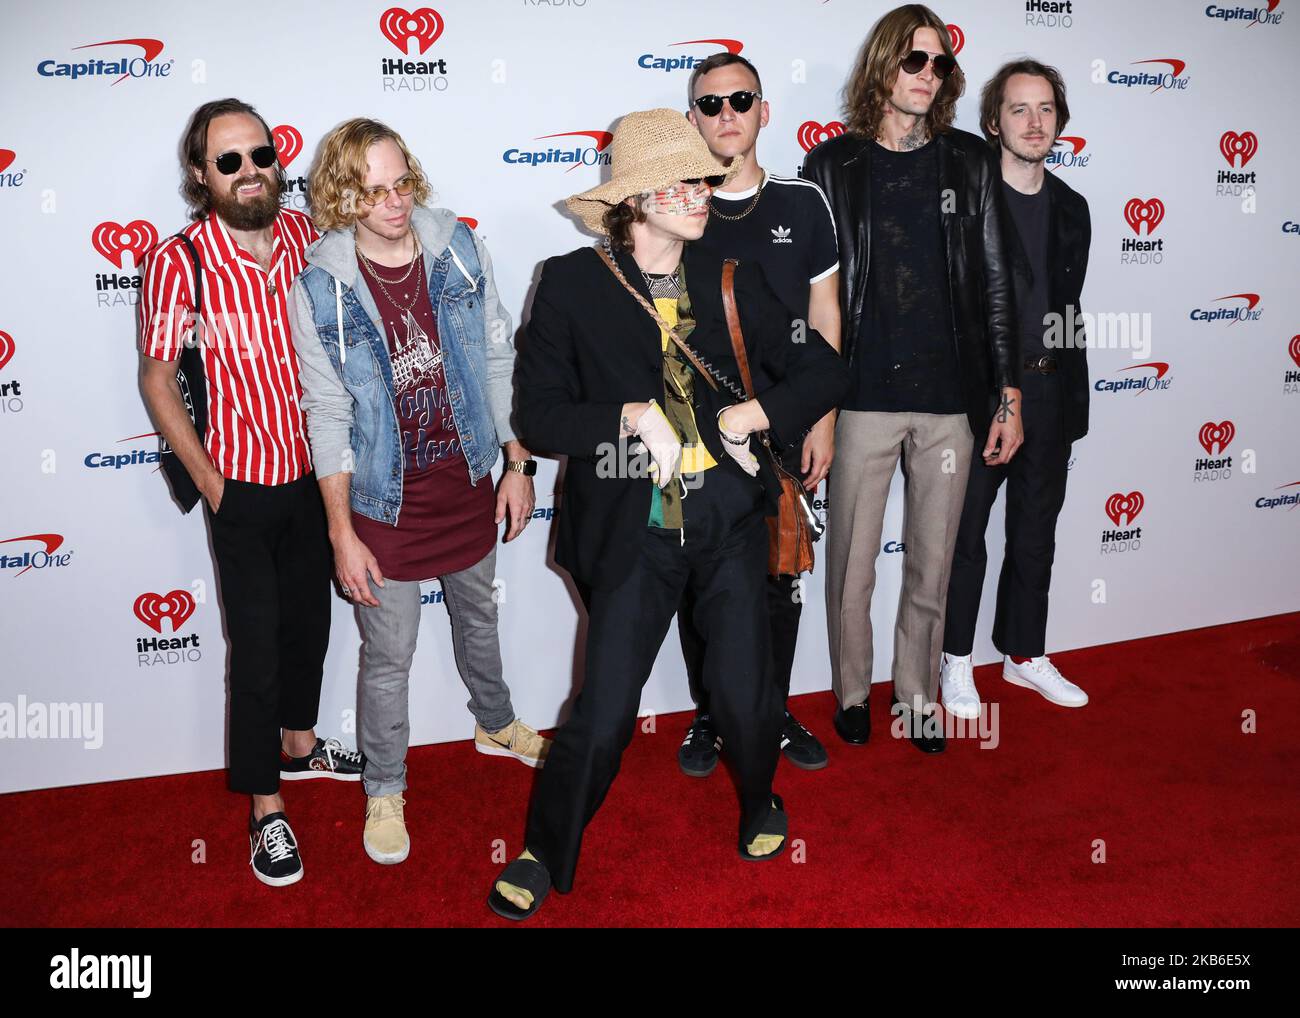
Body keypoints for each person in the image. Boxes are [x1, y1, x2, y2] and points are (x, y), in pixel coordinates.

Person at [487, 108, 848, 920]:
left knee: (745, 691)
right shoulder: (571, 283)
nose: (700, 194)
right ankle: (548, 847)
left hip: (726, 523)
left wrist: (760, 414)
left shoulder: (732, 274)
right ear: (633, 201)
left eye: (703, 180)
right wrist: (629, 415)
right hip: (634, 535)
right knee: (606, 707)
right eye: (680, 183)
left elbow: (822, 369)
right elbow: (540, 417)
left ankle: (760, 802)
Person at [290, 119, 551, 866]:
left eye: (401, 182)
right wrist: (341, 531)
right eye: (373, 191)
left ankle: (495, 723)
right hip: (385, 503)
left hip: (468, 479)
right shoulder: (322, 289)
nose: (395, 202)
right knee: (388, 656)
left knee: (479, 618)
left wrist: (517, 462)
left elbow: (500, 358)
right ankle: (384, 785)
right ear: (342, 197)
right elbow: (329, 411)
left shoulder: (459, 250)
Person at [139, 99, 363, 888]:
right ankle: (265, 808)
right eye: (227, 161)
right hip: (241, 486)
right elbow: (158, 377)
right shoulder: (181, 261)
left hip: (317, 477)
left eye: (260, 155)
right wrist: (209, 481)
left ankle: (299, 748)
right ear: (200, 175)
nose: (249, 172)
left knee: (312, 623)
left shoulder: (306, 235)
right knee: (258, 646)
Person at [801, 3, 1022, 753]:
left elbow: (996, 284)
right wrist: (813, 403)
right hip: (860, 398)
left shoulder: (969, 160)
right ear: (884, 66)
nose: (929, 75)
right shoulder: (833, 165)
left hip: (948, 403)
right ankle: (855, 692)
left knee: (933, 565)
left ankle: (918, 696)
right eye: (915, 60)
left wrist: (1005, 396)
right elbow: (814, 296)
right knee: (850, 570)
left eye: (941, 64)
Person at [677, 51, 843, 776]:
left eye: (740, 101)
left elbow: (827, 315)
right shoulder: (677, 204)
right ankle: (712, 716)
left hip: (787, 423)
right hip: (701, 435)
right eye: (710, 105)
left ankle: (771, 712)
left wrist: (825, 419)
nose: (726, 116)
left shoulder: (803, 202)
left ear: (763, 111)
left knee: (782, 578)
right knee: (702, 582)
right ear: (693, 119)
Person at [940, 61, 1092, 715]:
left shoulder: (1073, 208)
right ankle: (953, 661)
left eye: (1045, 110)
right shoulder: (966, 198)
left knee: (1035, 532)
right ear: (993, 122)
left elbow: (1063, 306)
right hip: (980, 398)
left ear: (1059, 121)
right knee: (964, 534)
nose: (1034, 123)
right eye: (1019, 110)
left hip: (1053, 390)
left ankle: (1024, 653)